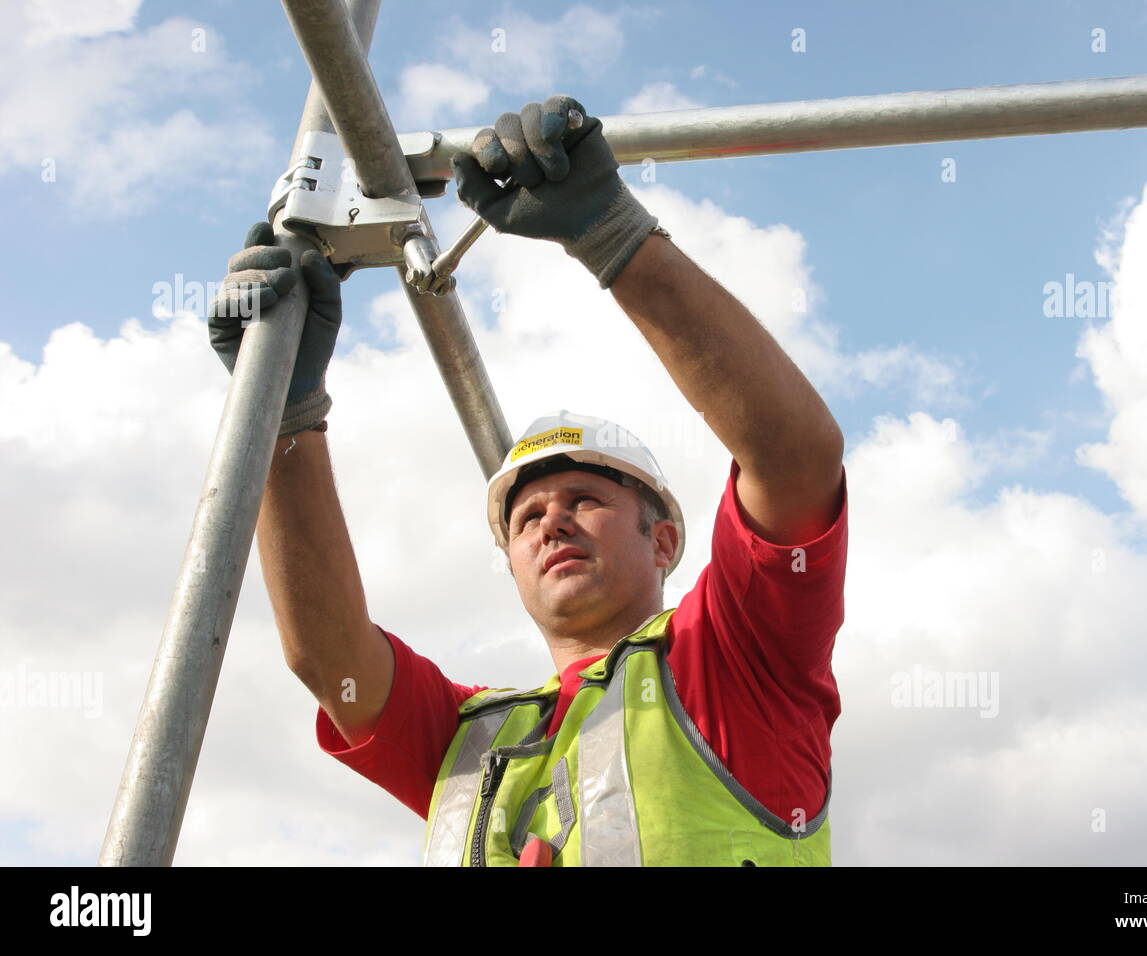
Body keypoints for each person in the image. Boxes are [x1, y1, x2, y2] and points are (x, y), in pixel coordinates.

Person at [209, 95, 848, 866]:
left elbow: (796, 459)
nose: (552, 522)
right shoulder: (474, 740)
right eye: (527, 516)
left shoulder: (733, 661)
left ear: (664, 539)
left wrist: (612, 232)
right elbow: (328, 658)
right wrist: (284, 417)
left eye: (586, 499)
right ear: (510, 561)